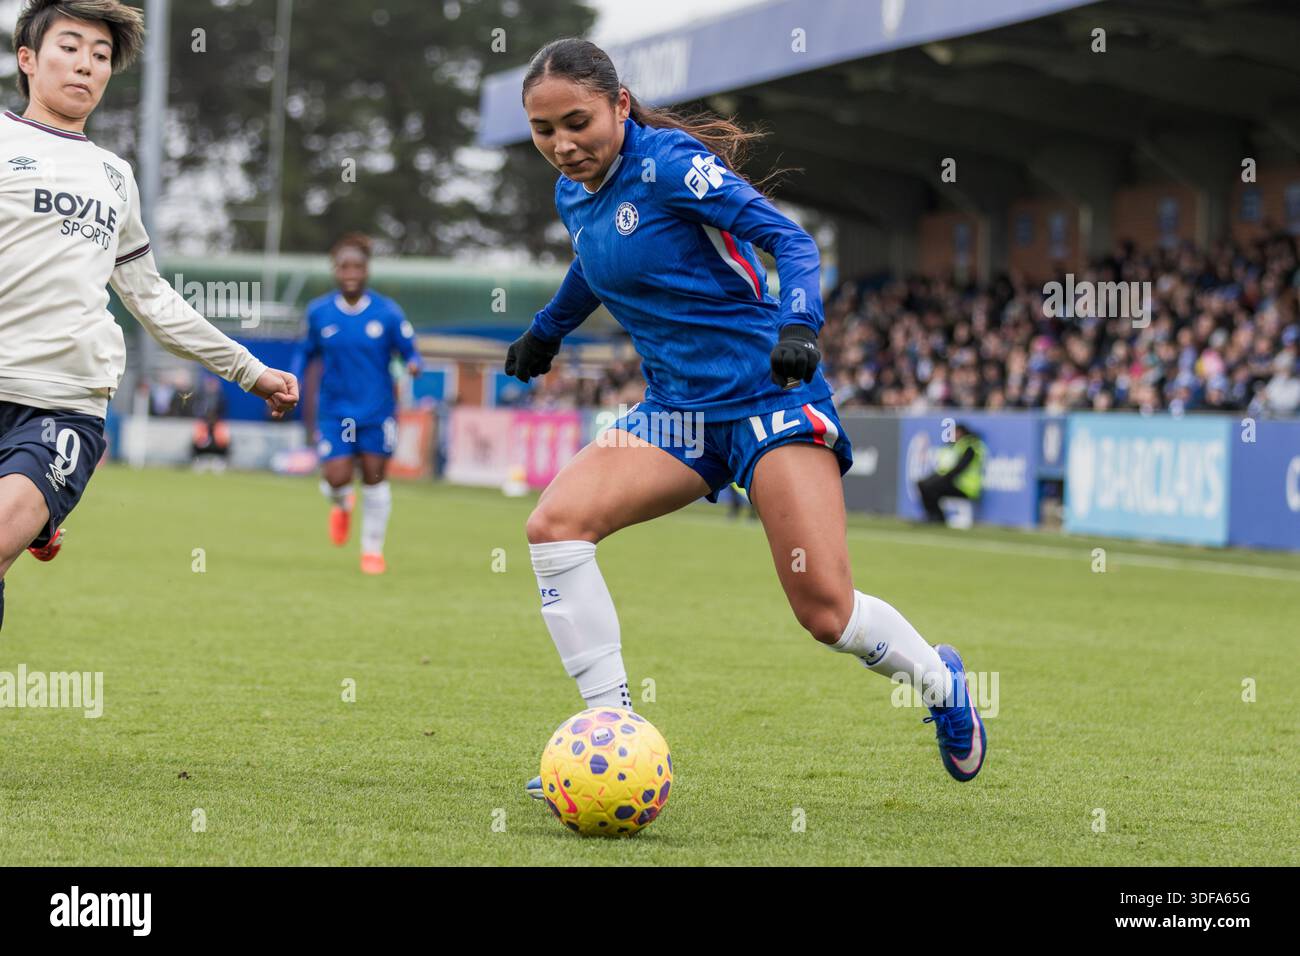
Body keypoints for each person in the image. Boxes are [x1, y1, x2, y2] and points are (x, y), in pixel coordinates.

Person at [509, 38, 986, 797]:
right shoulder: (576, 191)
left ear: (620, 105)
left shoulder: (669, 165)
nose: (563, 145)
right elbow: (595, 260)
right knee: (554, 527)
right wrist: (547, 329)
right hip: (678, 415)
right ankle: (612, 736)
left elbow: (789, 240)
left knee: (826, 614)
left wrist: (800, 324)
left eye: (577, 122)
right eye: (543, 130)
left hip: (769, 399)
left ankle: (942, 683)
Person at [0, 0, 299, 632]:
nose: (85, 64)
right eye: (70, 46)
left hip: (64, 406)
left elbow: (153, 298)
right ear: (27, 59)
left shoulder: (115, 177)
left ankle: (36, 508)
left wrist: (250, 371)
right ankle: (37, 521)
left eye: (101, 55)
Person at [293, 232, 422, 575]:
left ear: (367, 271)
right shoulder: (319, 312)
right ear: (335, 270)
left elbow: (410, 350)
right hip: (335, 411)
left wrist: (413, 363)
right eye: (344, 267)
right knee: (336, 477)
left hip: (377, 411)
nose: (350, 272)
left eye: (357, 267)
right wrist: (291, 382)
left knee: (375, 478)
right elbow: (304, 353)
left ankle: (371, 551)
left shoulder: (387, 313)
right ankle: (341, 504)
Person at [916, 423, 986, 524]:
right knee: (924, 484)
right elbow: (947, 468)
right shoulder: (957, 446)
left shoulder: (970, 447)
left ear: (961, 433)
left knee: (930, 486)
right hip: (956, 484)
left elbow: (958, 469)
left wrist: (940, 480)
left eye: (955, 433)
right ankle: (933, 515)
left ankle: (937, 517)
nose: (953, 436)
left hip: (966, 488)